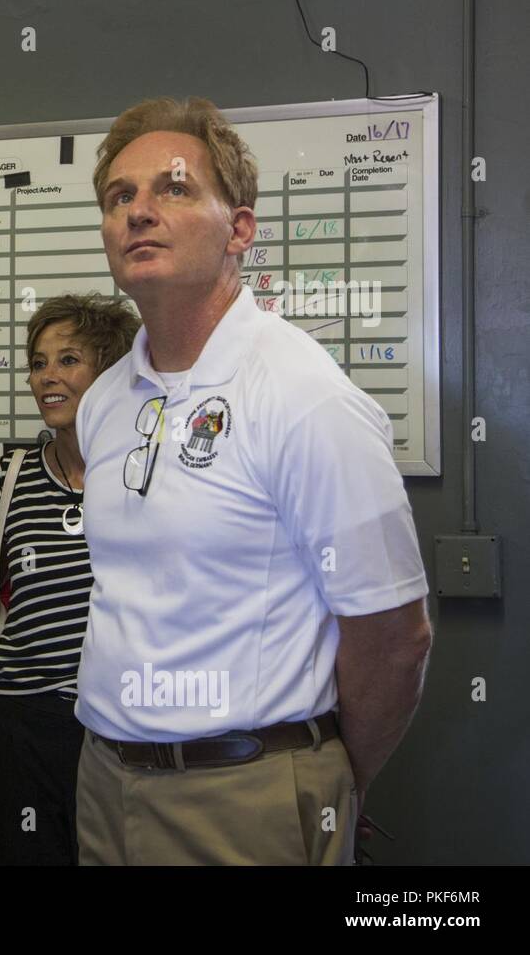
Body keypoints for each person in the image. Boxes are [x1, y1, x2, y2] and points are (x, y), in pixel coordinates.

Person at [73, 97, 432, 864]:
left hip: (244, 794)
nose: (138, 212)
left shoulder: (304, 397)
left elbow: (395, 639)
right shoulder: (104, 403)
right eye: (119, 197)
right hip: (103, 782)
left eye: (171, 189)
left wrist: (330, 778)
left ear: (239, 229)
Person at [0, 294, 138, 865]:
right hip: (20, 730)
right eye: (38, 363)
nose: (47, 377)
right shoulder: (10, 477)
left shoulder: (147, 476)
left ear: (110, 373)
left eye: (68, 360)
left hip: (123, 730)